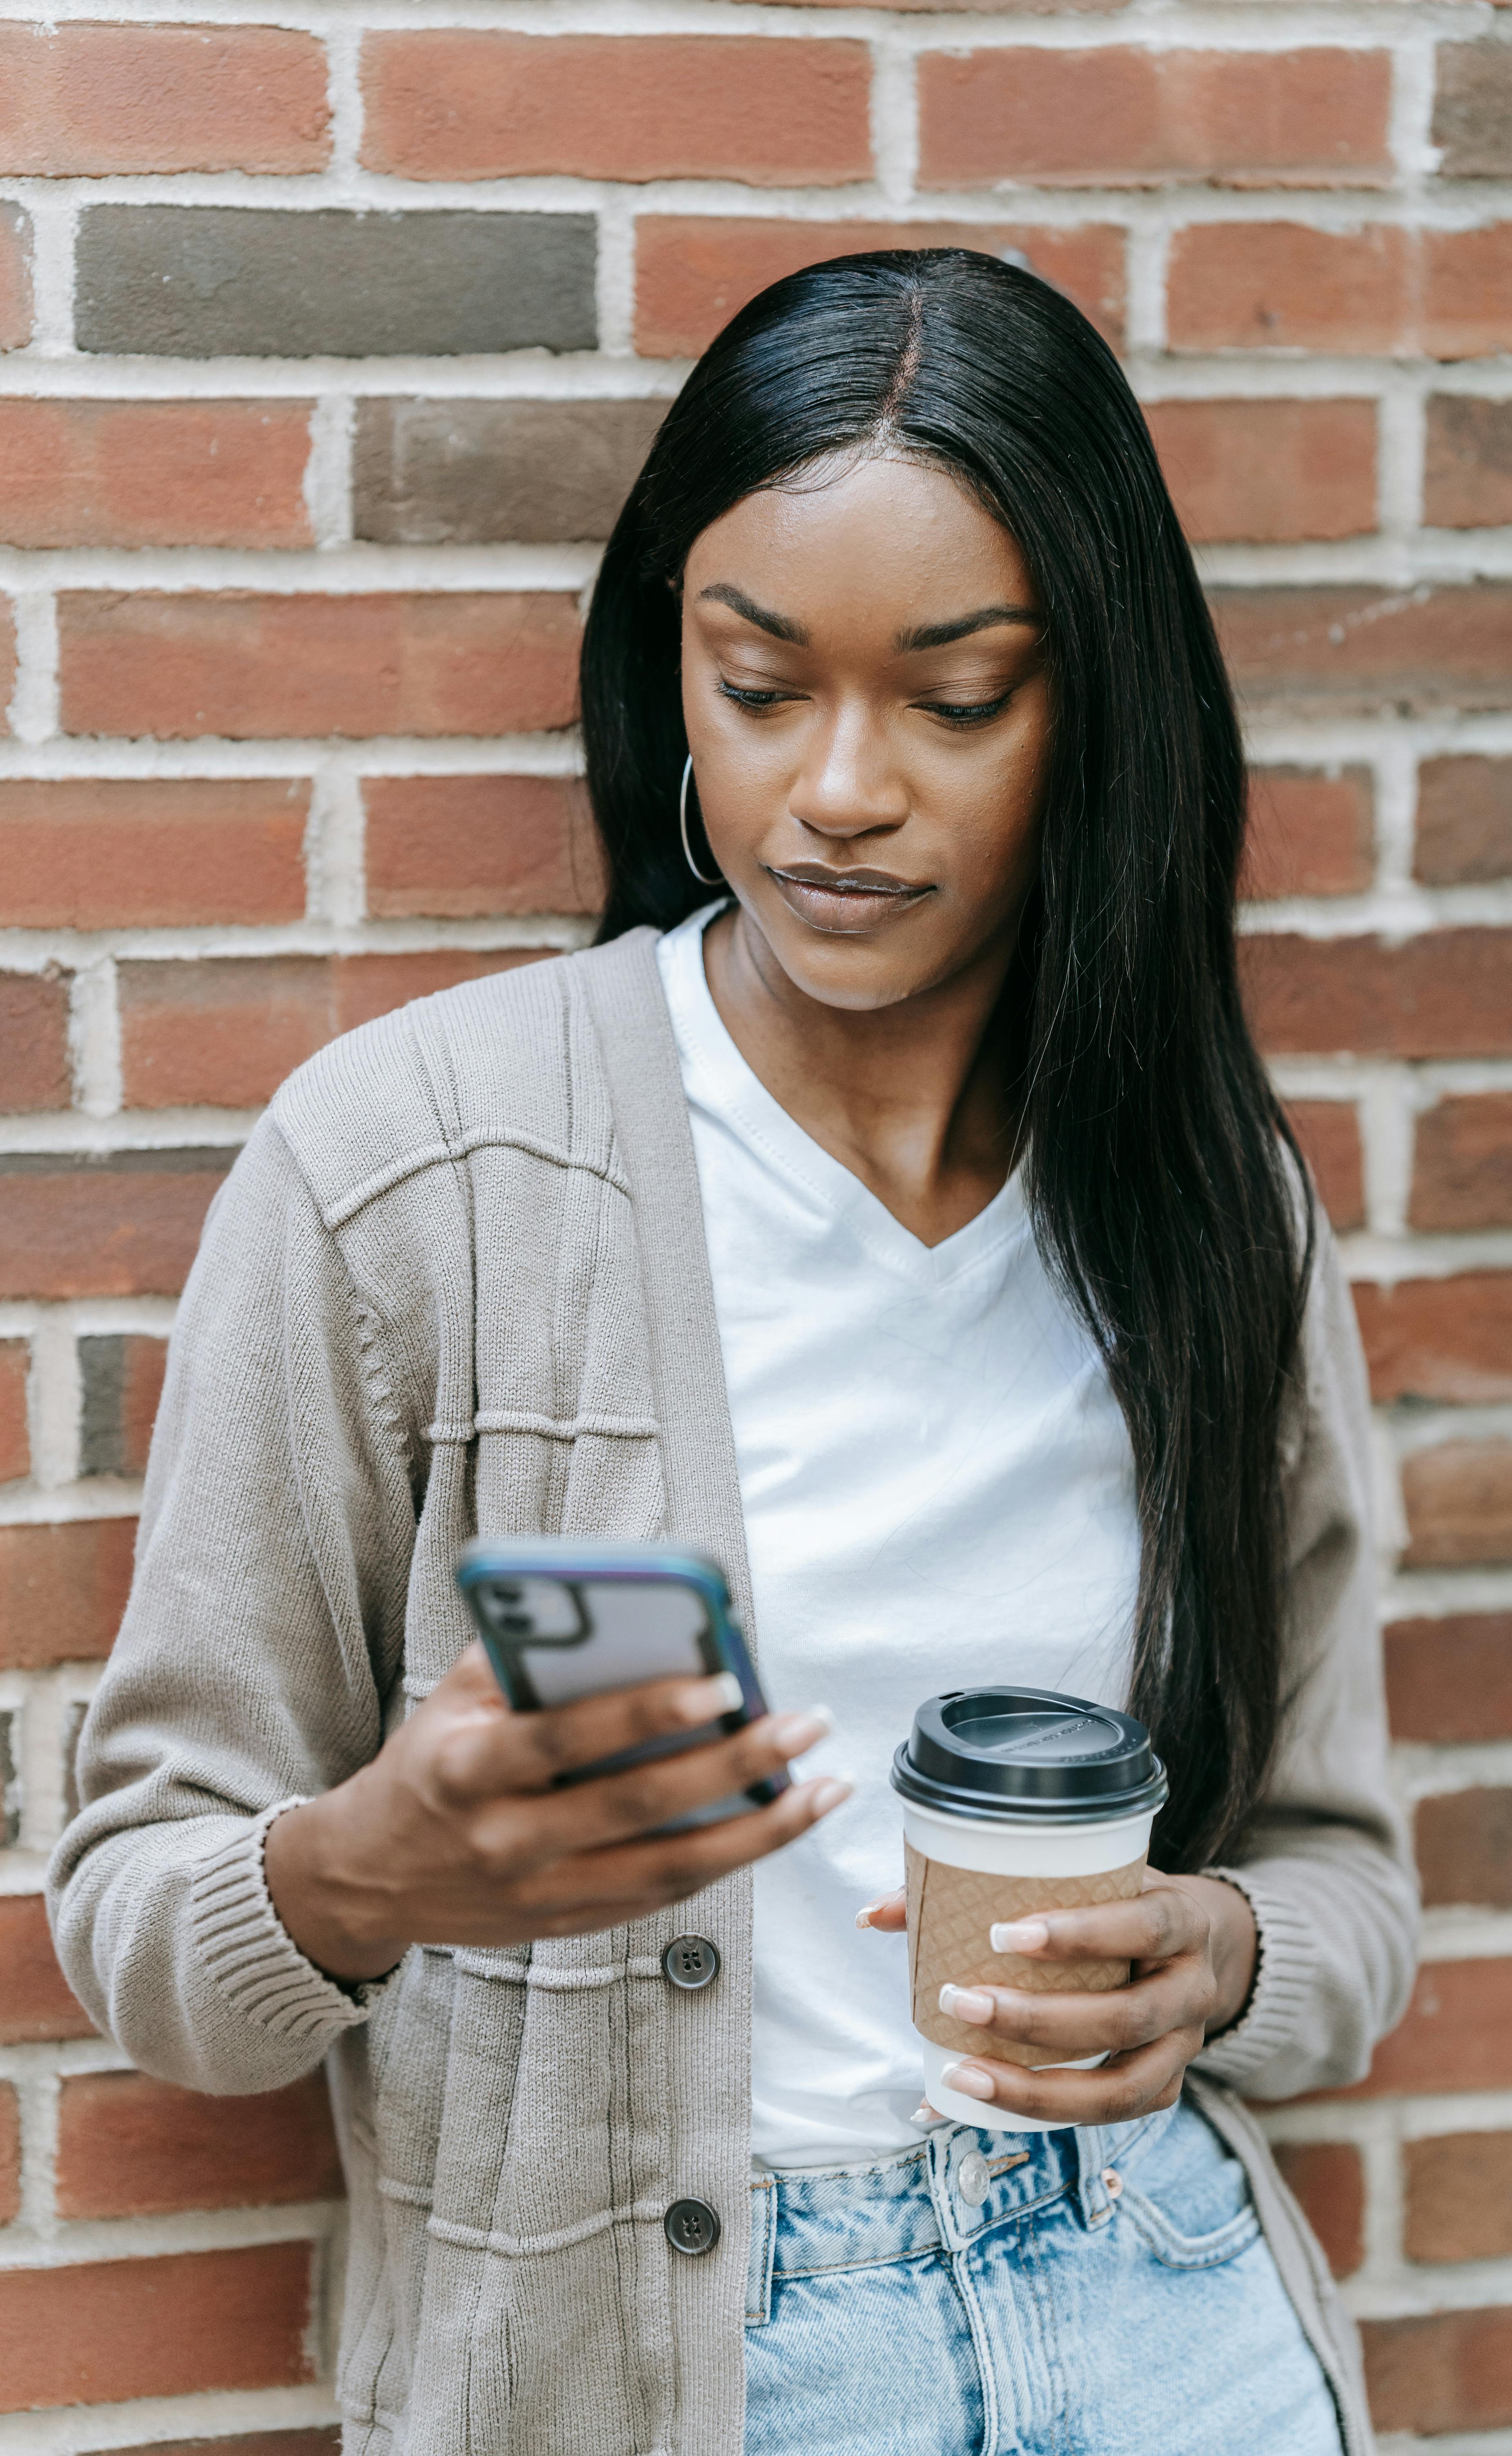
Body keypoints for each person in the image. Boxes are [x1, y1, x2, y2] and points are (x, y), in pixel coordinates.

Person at [50, 250, 1417, 2456]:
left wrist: (1225, 1962)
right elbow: (135, 1918)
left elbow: (1346, 1881)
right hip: (675, 2373)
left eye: (957, 698)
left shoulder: (1208, 1212)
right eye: (760, 684)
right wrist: (374, 1869)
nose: (840, 789)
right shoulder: (417, 1169)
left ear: (1095, 715)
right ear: (668, 670)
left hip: (1166, 2317)